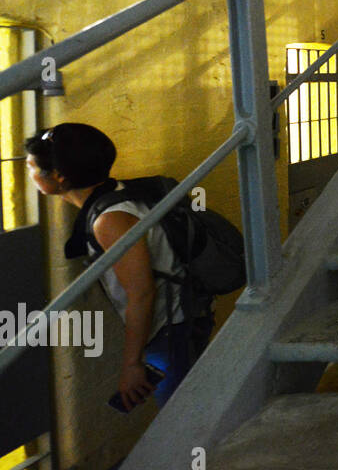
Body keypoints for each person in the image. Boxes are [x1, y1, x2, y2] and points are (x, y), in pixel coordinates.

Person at [24, 123, 212, 410]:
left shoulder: (110, 220)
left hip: (170, 329)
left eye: (32, 167)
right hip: (181, 318)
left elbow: (141, 294)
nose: (29, 173)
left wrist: (131, 364)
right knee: (187, 409)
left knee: (181, 418)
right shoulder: (116, 192)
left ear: (60, 178)